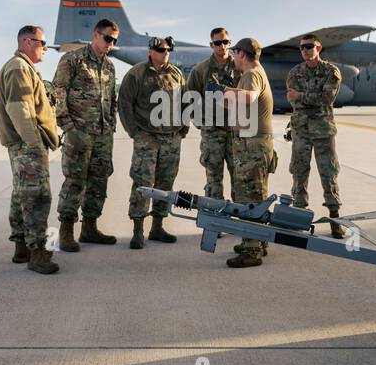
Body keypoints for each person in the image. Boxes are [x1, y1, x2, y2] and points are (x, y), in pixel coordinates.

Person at [0, 25, 62, 274]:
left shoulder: (25, 67)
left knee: (22, 194)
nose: (45, 48)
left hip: (26, 144)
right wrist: (34, 145)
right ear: (26, 41)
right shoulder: (18, 68)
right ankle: (38, 253)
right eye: (41, 43)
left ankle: (22, 247)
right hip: (27, 145)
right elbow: (19, 110)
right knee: (37, 197)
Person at [52, 19, 119, 250]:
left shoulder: (109, 66)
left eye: (114, 40)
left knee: (99, 182)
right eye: (107, 38)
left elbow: (111, 100)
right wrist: (68, 127)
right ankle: (66, 231)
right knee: (75, 181)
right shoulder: (72, 60)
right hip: (78, 132)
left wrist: (110, 125)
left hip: (103, 135)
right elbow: (58, 93)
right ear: (95, 35)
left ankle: (90, 228)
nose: (110, 43)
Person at [119, 36, 188, 249]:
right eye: (160, 49)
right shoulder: (137, 73)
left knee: (165, 183)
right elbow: (124, 104)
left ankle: (157, 227)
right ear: (151, 51)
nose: (165, 52)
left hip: (171, 139)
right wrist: (135, 133)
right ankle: (137, 231)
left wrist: (183, 129)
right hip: (147, 138)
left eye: (168, 49)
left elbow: (185, 101)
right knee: (143, 182)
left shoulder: (176, 73)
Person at [285, 33, 347, 238]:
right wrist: (309, 99)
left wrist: (302, 97)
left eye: (309, 46)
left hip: (322, 133)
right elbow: (292, 101)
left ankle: (335, 220)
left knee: (328, 174)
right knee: (299, 174)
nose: (305, 50)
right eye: (302, 47)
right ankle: (298, 217)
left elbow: (327, 98)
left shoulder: (331, 71)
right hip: (301, 131)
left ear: (318, 48)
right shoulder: (294, 73)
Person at [223, 37, 275, 268]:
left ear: (242, 54)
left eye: (235, 53)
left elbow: (249, 98)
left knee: (249, 197)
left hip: (251, 145)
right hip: (254, 143)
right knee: (257, 194)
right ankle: (257, 241)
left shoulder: (251, 73)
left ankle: (251, 250)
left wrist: (223, 91)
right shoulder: (257, 71)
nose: (233, 57)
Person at [186, 26, 239, 200]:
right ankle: (214, 221)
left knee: (240, 179)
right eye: (218, 43)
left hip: (236, 132)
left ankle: (240, 222)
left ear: (229, 43)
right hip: (212, 133)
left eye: (225, 42)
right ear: (211, 44)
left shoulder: (240, 67)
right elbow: (190, 98)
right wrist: (201, 122)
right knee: (213, 180)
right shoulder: (200, 70)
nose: (222, 46)